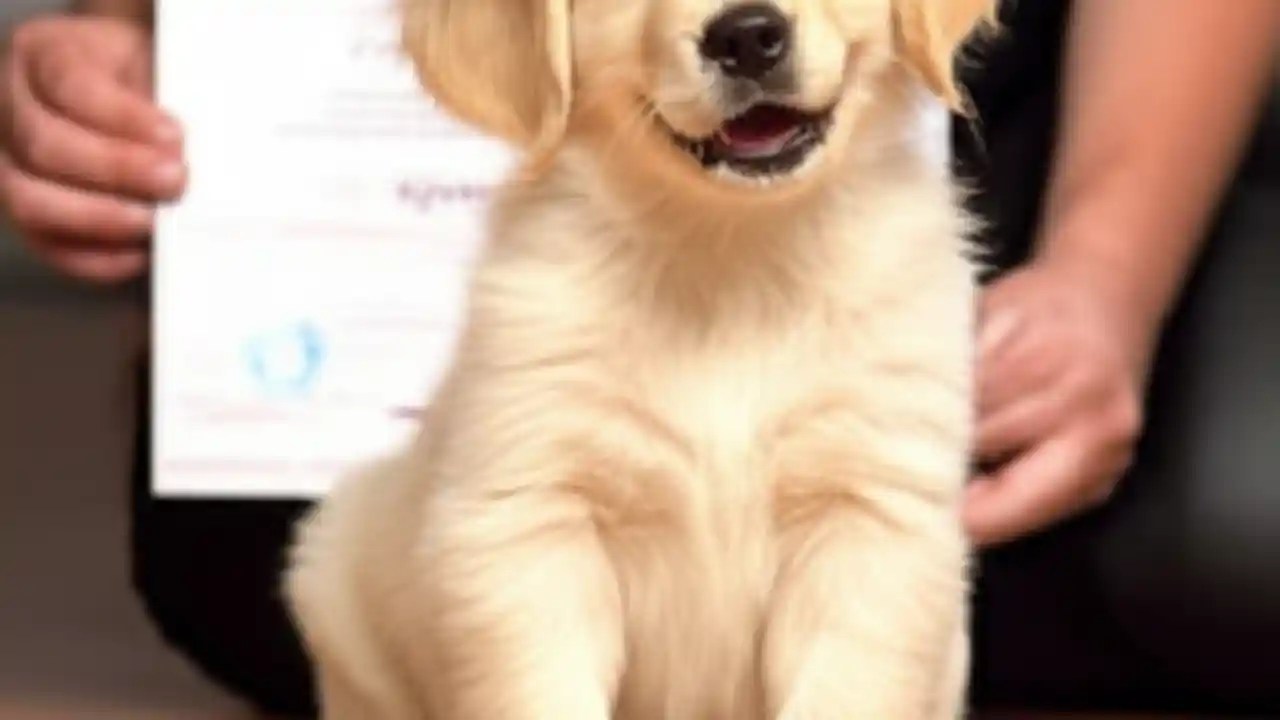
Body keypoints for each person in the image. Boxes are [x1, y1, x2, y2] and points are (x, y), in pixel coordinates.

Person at [1, 0, 1276, 715]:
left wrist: (1106, 273)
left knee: (1221, 554)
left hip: (994, 120)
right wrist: (114, 41)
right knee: (286, 566)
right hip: (463, 225)